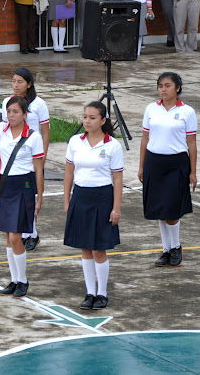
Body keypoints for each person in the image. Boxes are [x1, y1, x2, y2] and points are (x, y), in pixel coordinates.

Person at [0, 96, 44, 299]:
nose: (11, 115)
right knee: (8, 236)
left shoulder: (33, 137)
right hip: (5, 186)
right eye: (8, 112)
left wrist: (40, 197)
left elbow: (38, 170)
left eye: (15, 112)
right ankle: (14, 280)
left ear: (25, 114)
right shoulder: (0, 129)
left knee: (15, 236)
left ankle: (22, 280)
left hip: (24, 187)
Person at [63, 101, 124, 310]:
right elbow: (69, 174)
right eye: (84, 117)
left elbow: (117, 179)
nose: (87, 121)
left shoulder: (112, 145)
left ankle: (102, 293)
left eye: (92, 117)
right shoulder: (75, 142)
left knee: (99, 249)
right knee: (85, 248)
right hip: (81, 197)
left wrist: (116, 208)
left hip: (102, 198)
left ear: (103, 120)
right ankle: (90, 292)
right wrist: (67, 201)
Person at [138, 72, 197, 268]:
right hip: (154, 162)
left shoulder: (187, 111)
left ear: (177, 88)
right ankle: (166, 250)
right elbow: (145, 139)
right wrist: (141, 166)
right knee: (159, 208)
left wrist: (193, 171)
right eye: (160, 86)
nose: (163, 89)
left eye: (168, 85)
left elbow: (191, 143)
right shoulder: (151, 109)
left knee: (172, 209)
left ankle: (176, 246)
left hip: (176, 163)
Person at [1, 68, 50, 252]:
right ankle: (30, 234)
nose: (16, 85)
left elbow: (45, 133)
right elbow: (4, 128)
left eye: (20, 81)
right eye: (13, 81)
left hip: (32, 156)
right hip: (15, 159)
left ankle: (30, 233)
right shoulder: (7, 102)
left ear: (29, 84)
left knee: (30, 199)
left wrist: (42, 158)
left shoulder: (39, 104)